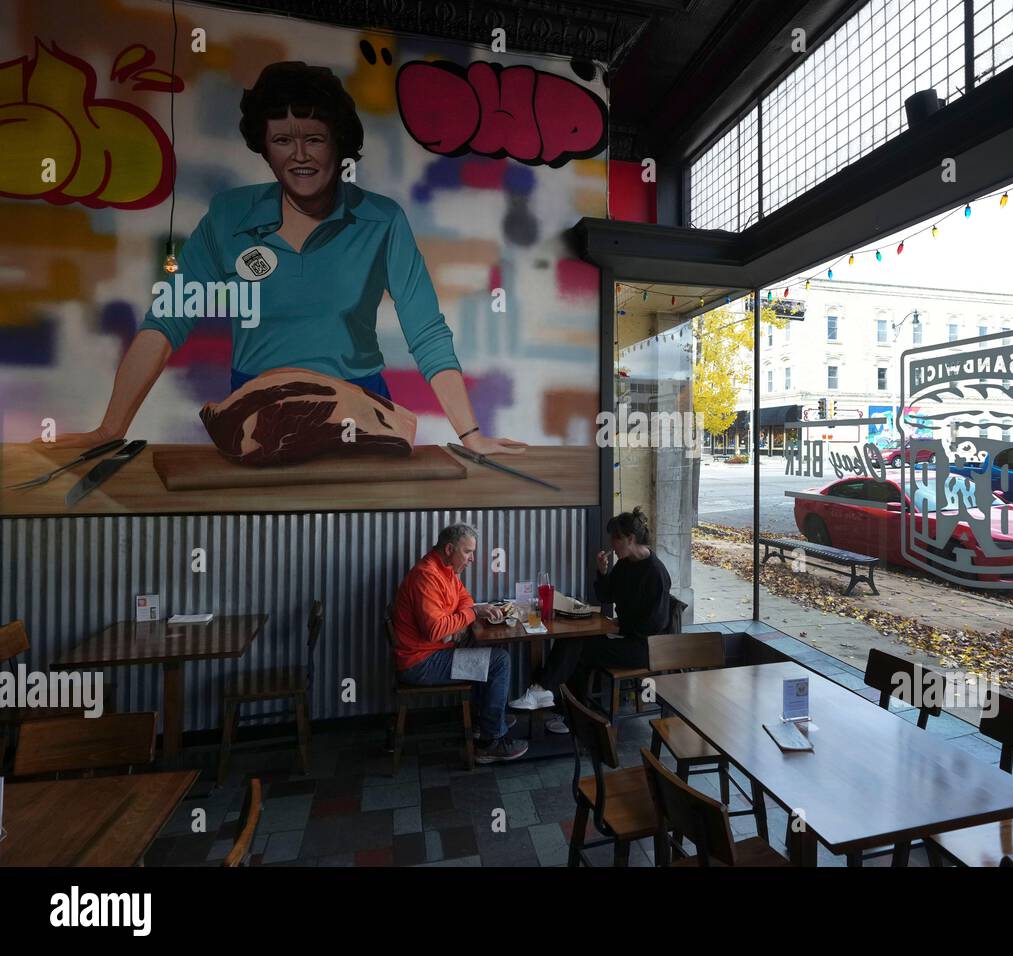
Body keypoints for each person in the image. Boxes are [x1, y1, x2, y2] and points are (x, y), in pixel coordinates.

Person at [56, 61, 525, 457]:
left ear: (339, 143)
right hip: (257, 415)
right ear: (264, 146)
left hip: (360, 413)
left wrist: (471, 436)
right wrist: (109, 429)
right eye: (282, 140)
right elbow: (166, 321)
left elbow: (426, 332)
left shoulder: (382, 220)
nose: (300, 155)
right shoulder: (229, 216)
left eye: (315, 139)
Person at [510, 507, 671, 734]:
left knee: (579, 647)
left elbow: (656, 624)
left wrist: (619, 625)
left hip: (644, 647)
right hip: (624, 636)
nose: (611, 545)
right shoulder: (625, 564)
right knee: (576, 642)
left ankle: (551, 696)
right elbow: (605, 596)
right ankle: (560, 708)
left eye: (615, 539)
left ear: (630, 539)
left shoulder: (656, 573)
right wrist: (603, 572)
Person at [392, 523, 527, 763]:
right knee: (500, 661)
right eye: (467, 552)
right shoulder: (427, 576)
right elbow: (435, 630)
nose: (472, 559)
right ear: (449, 549)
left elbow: (465, 599)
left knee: (489, 652)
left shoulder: (445, 571)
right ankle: (490, 742)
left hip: (434, 652)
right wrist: (472, 615)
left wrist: (462, 618)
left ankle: (485, 721)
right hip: (420, 663)